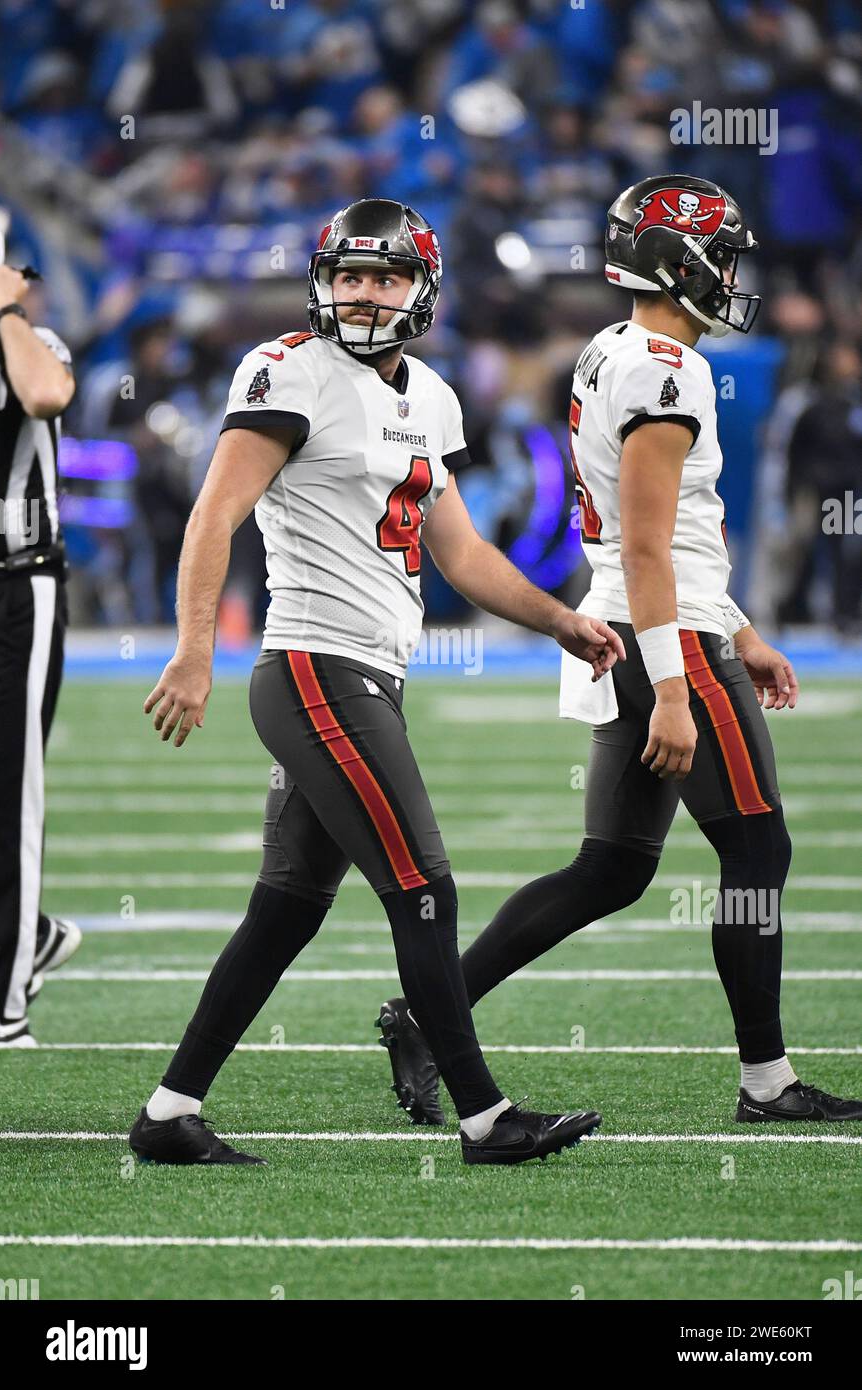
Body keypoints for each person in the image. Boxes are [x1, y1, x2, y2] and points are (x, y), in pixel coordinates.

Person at [128, 198, 620, 1166]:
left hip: (368, 677)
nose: (361, 293)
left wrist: (559, 619)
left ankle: (168, 1112)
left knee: (287, 909)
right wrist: (193, 649)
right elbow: (214, 514)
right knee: (422, 884)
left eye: (384, 277)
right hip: (314, 667)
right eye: (347, 275)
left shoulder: (430, 397)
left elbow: (460, 552)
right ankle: (486, 1119)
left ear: (419, 290)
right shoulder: (289, 370)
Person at [378, 176, 862, 1126]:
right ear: (680, 265)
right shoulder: (666, 371)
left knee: (612, 867)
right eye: (721, 259)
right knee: (757, 847)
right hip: (663, 633)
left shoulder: (612, 348)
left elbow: (669, 532)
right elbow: (647, 544)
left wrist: (743, 629)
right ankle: (767, 1082)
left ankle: (428, 1015)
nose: (732, 277)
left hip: (641, 622)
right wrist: (677, 687)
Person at [0, 217, 82, 1047]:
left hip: (17, 581)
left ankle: (5, 1000)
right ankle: (36, 933)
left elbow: (45, 395)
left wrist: (5, 312)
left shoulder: (35, 344)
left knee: (11, 788)